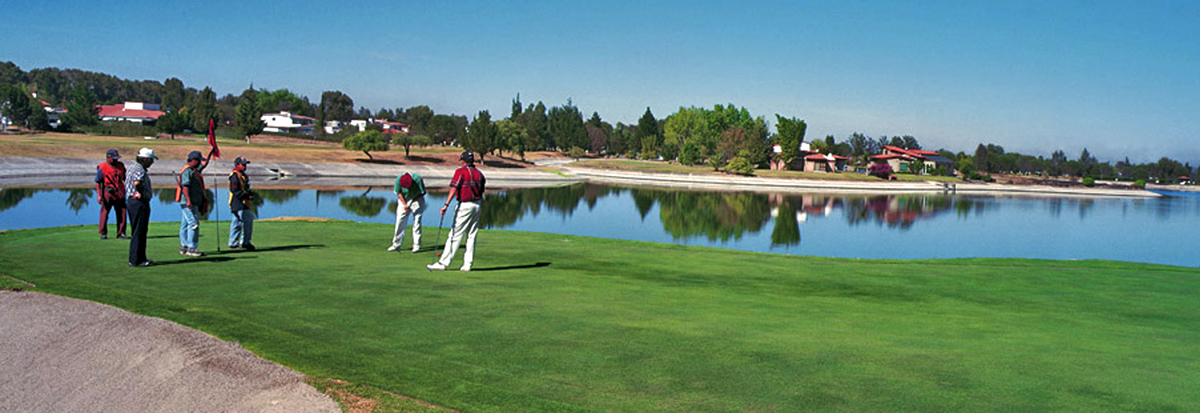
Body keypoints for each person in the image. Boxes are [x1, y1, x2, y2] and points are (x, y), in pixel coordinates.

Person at [428, 151, 485, 272]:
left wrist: (446, 205)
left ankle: (443, 263)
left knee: (455, 234)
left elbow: (454, 188)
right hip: (477, 205)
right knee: (471, 235)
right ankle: (467, 265)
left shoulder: (460, 172)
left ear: (463, 161)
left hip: (465, 205)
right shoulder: (479, 174)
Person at [125, 148, 157, 267]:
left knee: (138, 230)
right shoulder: (139, 169)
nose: (152, 162)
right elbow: (137, 182)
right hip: (139, 202)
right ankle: (136, 260)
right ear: (145, 159)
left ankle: (140, 257)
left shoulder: (132, 167)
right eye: (150, 160)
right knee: (139, 231)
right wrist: (139, 192)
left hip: (132, 202)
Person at [175, 150, 211, 257]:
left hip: (192, 201)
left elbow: (204, 165)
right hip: (188, 202)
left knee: (185, 224)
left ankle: (184, 246)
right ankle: (192, 247)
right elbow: (185, 187)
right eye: (199, 160)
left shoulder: (194, 169)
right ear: (193, 160)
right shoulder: (187, 171)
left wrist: (210, 152)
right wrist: (189, 201)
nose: (200, 162)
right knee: (193, 224)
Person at [388, 172, 426, 253]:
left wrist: (412, 201)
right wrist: (405, 204)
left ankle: (416, 245)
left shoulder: (417, 179)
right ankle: (396, 244)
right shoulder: (399, 179)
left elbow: (423, 192)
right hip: (404, 200)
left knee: (417, 223)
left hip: (417, 199)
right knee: (400, 222)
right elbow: (398, 193)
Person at [95, 148, 128, 240]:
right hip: (108, 193)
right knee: (105, 212)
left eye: (116, 158)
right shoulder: (102, 167)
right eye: (114, 158)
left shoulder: (121, 166)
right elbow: (98, 182)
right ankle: (103, 233)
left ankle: (121, 232)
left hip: (120, 192)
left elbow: (125, 178)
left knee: (122, 212)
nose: (116, 160)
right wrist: (99, 195)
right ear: (108, 158)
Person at [227, 156, 256, 251]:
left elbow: (246, 187)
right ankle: (243, 242)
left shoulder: (243, 175)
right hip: (238, 202)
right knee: (242, 223)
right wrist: (246, 196)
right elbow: (234, 190)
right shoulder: (235, 176)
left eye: (245, 164)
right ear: (237, 165)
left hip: (243, 202)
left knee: (238, 223)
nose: (245, 166)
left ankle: (235, 242)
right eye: (243, 164)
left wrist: (250, 193)